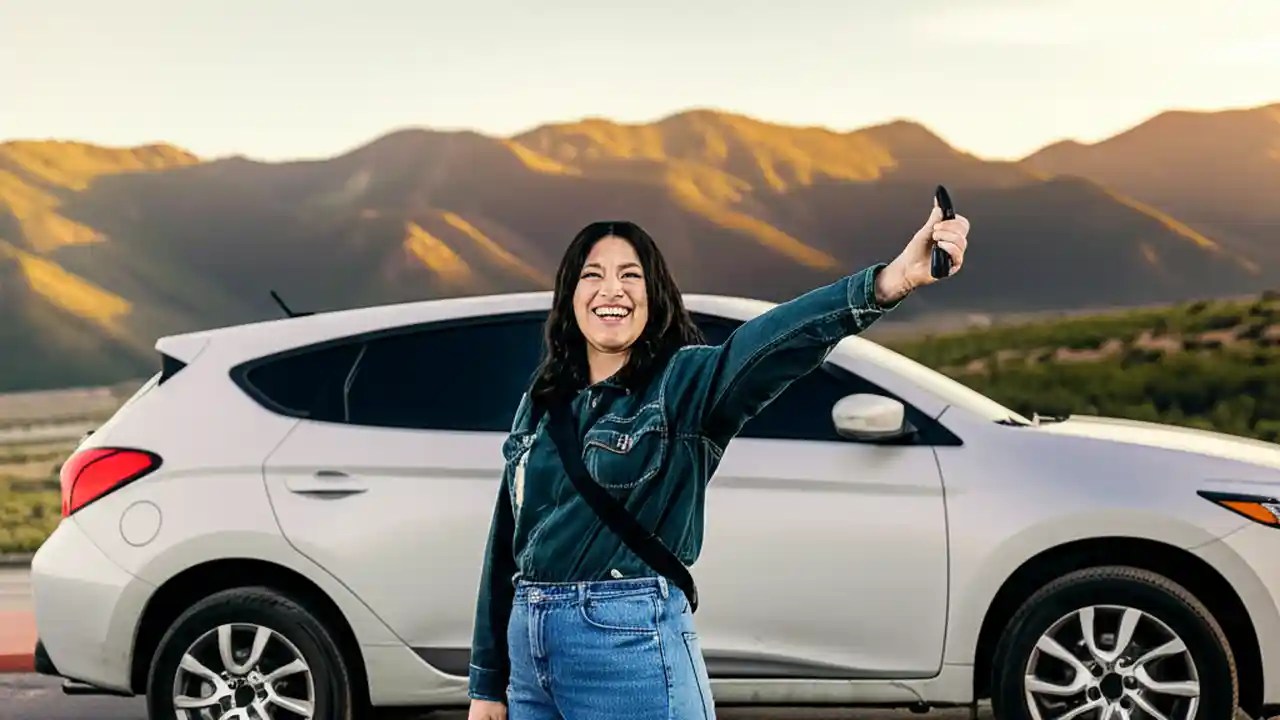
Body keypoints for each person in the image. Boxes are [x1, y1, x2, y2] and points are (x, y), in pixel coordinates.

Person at [467, 199, 970, 720]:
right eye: (592, 274)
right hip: (527, 648)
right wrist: (487, 681)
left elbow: (771, 343)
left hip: (625, 641)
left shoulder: (683, 385)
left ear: (654, 295)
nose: (611, 289)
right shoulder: (544, 399)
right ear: (570, 296)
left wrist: (888, 283)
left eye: (630, 275)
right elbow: (507, 539)